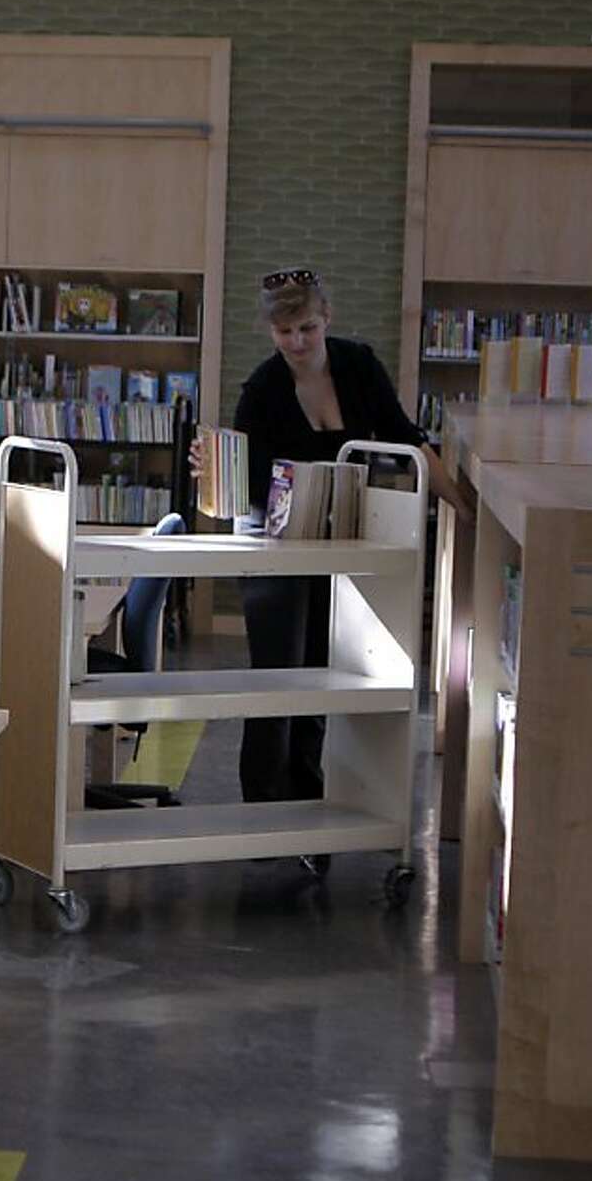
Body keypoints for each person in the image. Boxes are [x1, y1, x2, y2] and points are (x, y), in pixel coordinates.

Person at [192, 267, 472, 804]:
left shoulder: (358, 365)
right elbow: (244, 487)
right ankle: (264, 808)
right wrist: (210, 467)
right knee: (277, 675)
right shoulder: (263, 389)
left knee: (320, 673)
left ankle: (307, 798)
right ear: (271, 331)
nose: (297, 343)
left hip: (337, 541)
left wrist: (459, 503)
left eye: (308, 329)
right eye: (284, 332)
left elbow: (406, 442)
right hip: (272, 543)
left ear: (327, 320)